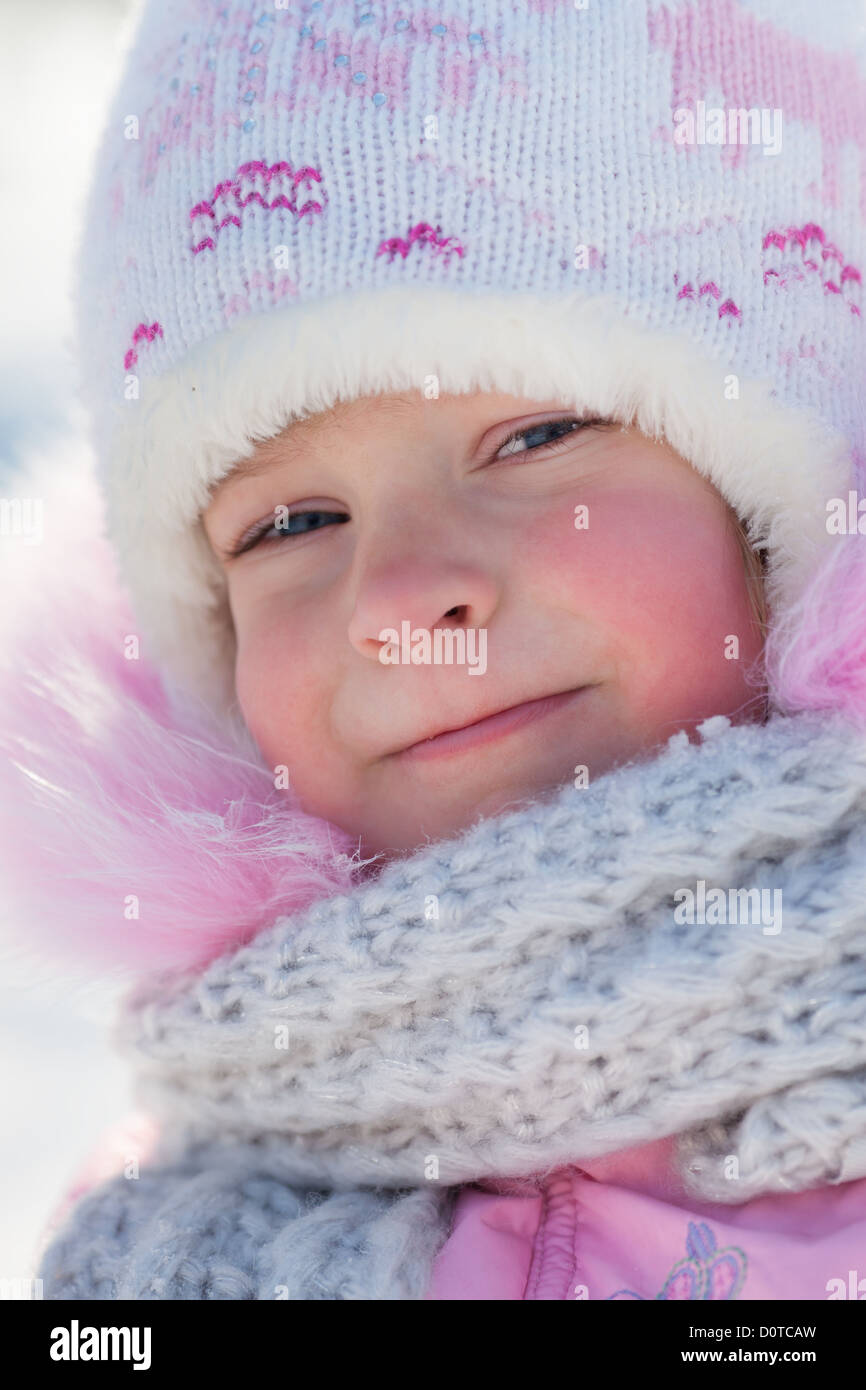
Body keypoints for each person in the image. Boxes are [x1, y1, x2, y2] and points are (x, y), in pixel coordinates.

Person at [4, 0, 866, 1299]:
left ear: (786, 515)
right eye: (291, 521)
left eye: (533, 439)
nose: (404, 591)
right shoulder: (162, 1251)